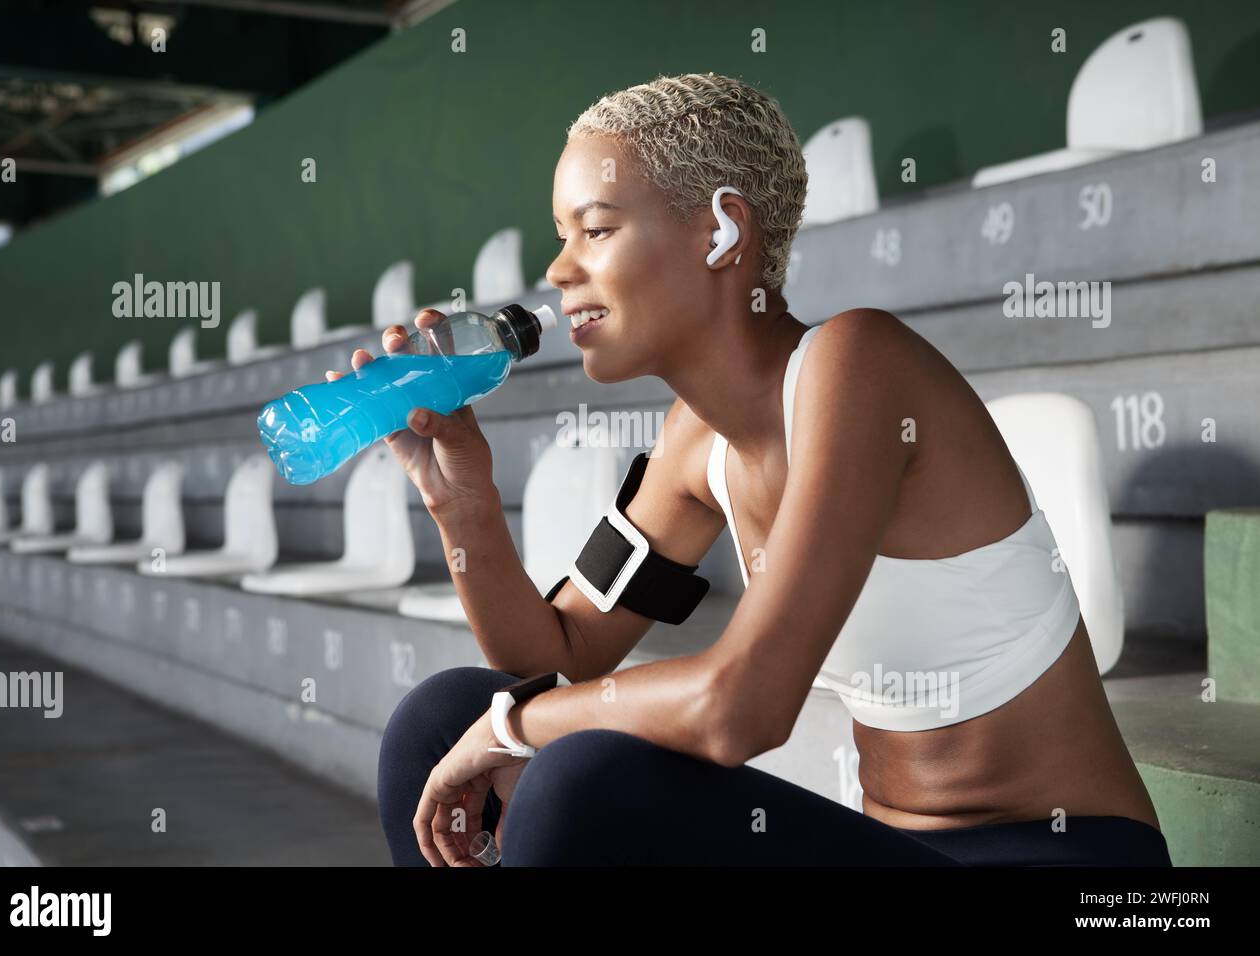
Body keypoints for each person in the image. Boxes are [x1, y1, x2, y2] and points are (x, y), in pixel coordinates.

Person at [334, 72, 1171, 867]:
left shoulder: (859, 365)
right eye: (562, 239)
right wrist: (465, 506)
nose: (558, 273)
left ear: (724, 231)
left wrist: (518, 725)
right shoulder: (694, 445)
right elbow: (559, 656)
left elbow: (745, 707)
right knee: (440, 721)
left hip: (1070, 867)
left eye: (595, 229)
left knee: (577, 785)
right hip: (896, 852)